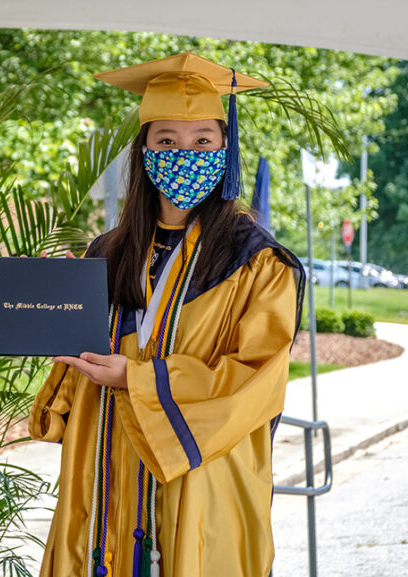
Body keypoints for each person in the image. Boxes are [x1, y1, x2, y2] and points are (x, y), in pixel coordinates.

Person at [28, 53, 304, 577]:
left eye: (203, 139)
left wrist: (137, 378)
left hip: (200, 479)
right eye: (167, 141)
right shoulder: (106, 253)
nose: (185, 154)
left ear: (226, 148)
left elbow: (257, 379)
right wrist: (54, 304)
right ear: (145, 151)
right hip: (106, 470)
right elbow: (76, 371)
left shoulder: (257, 261)